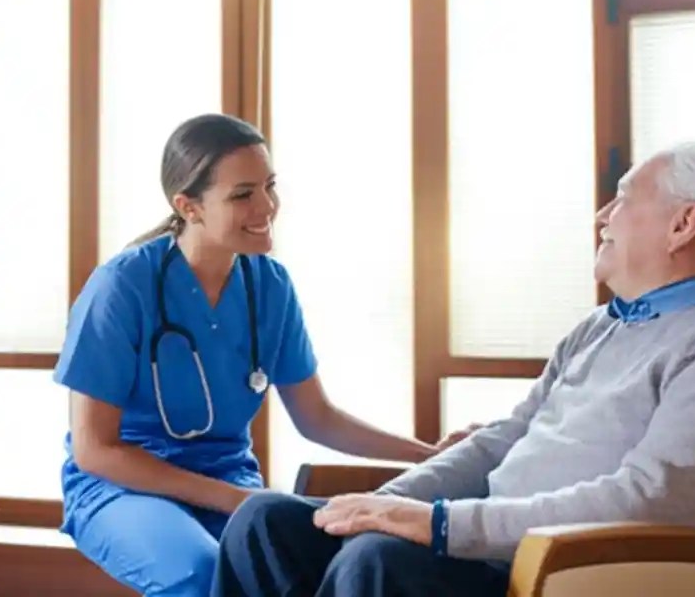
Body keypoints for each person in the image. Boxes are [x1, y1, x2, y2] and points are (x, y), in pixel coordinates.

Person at [213, 140, 695, 597]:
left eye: (624, 199)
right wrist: (382, 505)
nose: (604, 215)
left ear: (684, 225)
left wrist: (439, 526)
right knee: (266, 521)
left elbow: (646, 503)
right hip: (491, 551)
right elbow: (504, 441)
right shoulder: (603, 326)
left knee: (379, 563)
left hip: (568, 576)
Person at [53, 113, 462, 597]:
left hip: (230, 481)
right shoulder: (122, 287)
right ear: (189, 206)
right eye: (242, 194)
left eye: (269, 186)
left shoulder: (269, 286)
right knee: (204, 574)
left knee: (301, 568)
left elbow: (317, 417)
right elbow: (95, 450)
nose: (267, 206)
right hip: (125, 488)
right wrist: (238, 498)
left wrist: (428, 453)